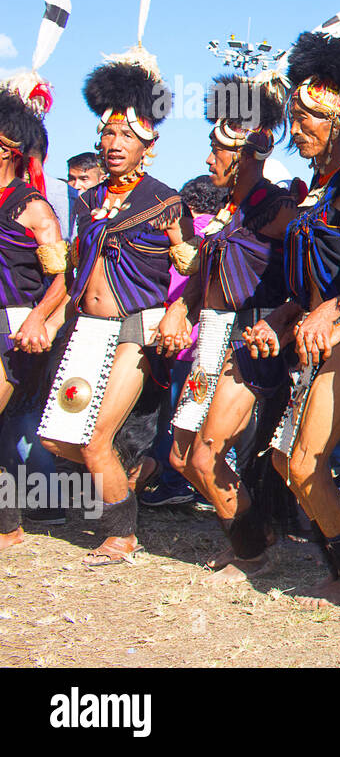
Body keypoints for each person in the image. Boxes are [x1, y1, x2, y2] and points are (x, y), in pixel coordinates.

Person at [245, 18, 340, 606]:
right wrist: (281, 316)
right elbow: (305, 282)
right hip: (316, 335)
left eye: (308, 118)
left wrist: (334, 315)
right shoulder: (316, 188)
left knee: (305, 461)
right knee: (287, 459)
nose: (296, 128)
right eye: (297, 116)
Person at [39, 43, 193, 566]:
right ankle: (133, 473)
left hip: (136, 328)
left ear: (148, 143)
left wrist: (178, 315)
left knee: (94, 436)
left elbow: (189, 272)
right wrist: (50, 315)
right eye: (107, 132)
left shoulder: (166, 200)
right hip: (87, 330)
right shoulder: (86, 201)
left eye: (125, 134)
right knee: (61, 439)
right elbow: (74, 270)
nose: (113, 142)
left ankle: (121, 536)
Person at [159, 74, 298, 579]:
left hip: (249, 341)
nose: (208, 159)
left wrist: (283, 324)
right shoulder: (227, 209)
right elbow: (205, 277)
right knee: (179, 457)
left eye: (218, 149)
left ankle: (252, 553)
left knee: (205, 455)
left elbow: (309, 280)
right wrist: (183, 307)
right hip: (210, 340)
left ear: (250, 149)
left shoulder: (279, 208)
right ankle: (251, 532)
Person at [0, 89, 67, 551]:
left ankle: (10, 528)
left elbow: (65, 278)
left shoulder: (33, 208)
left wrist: (40, 320)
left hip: (13, 328)